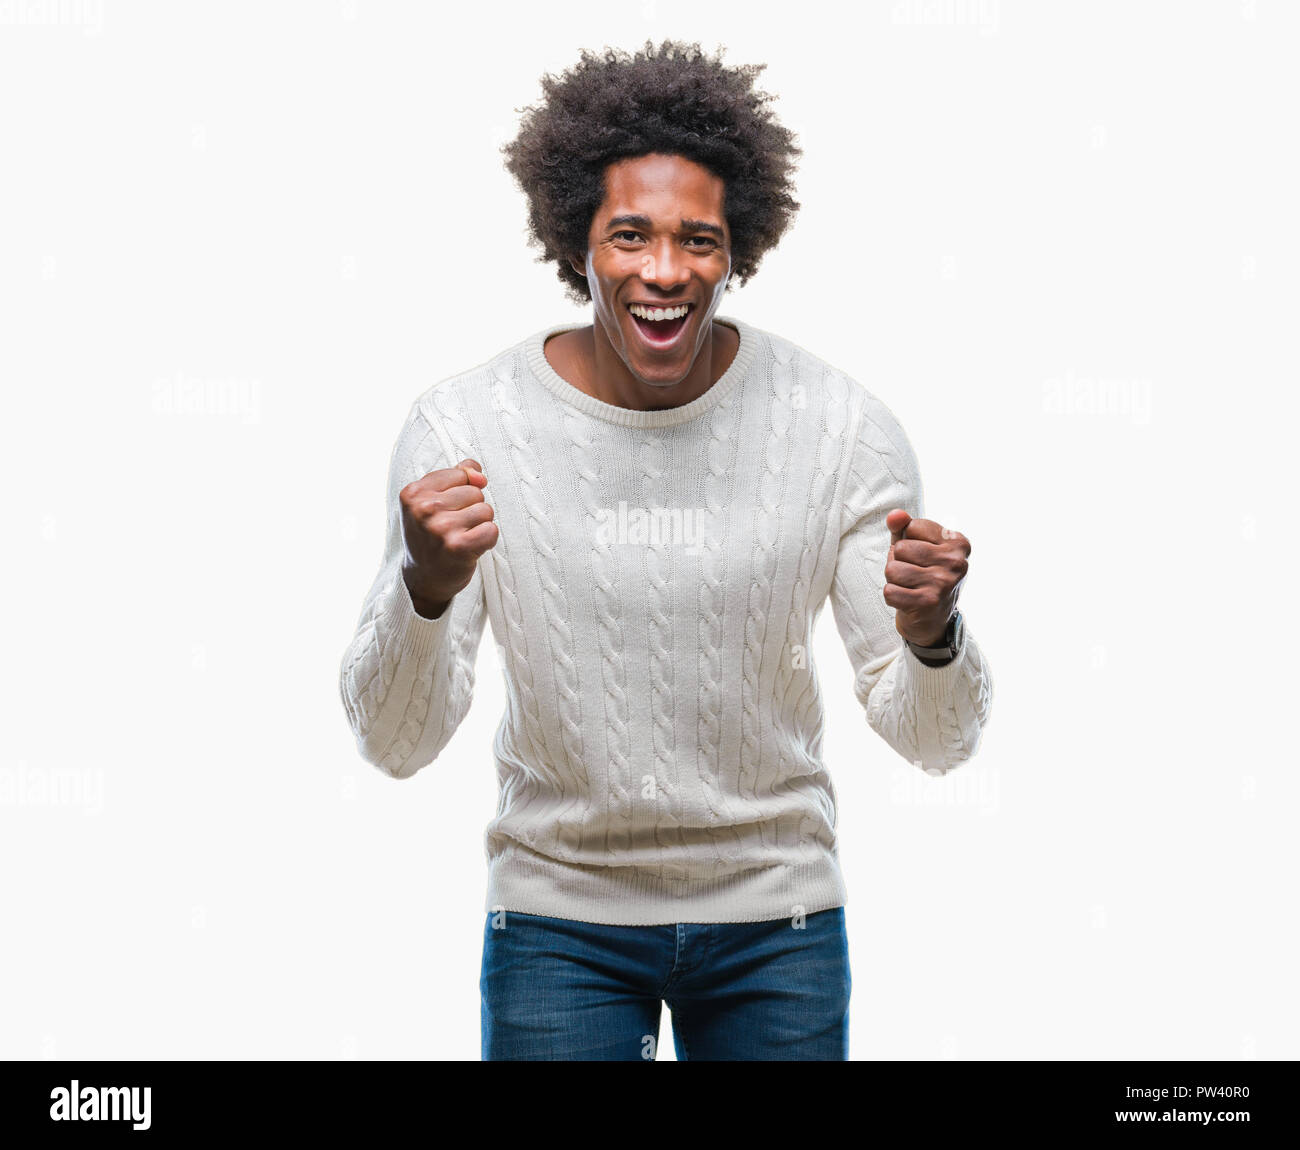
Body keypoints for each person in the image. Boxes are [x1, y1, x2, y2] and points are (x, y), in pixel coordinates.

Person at [338, 39, 994, 1061]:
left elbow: (935, 741)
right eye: (629, 235)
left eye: (697, 240)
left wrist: (933, 636)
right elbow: (394, 742)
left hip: (776, 925)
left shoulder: (837, 429)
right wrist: (422, 590)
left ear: (737, 249)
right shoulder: (466, 429)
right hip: (558, 922)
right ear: (577, 242)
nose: (662, 271)